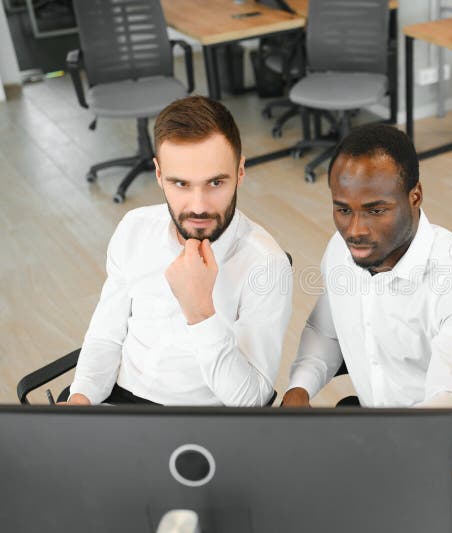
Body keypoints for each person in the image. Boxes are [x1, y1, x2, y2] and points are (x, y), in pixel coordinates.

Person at [64, 96, 292, 406]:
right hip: (117, 399)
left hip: (199, 422)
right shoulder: (134, 228)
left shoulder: (267, 265)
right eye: (181, 184)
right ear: (158, 174)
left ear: (240, 171)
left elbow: (251, 400)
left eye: (215, 182)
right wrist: (81, 398)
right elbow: (106, 336)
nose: (198, 205)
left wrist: (200, 310)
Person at [282, 124, 452, 435]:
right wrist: (299, 388)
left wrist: (384, 443)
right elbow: (326, 333)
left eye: (376, 210)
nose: (355, 230)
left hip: (447, 445)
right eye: (344, 209)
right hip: (377, 434)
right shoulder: (341, 252)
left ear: (415, 196)